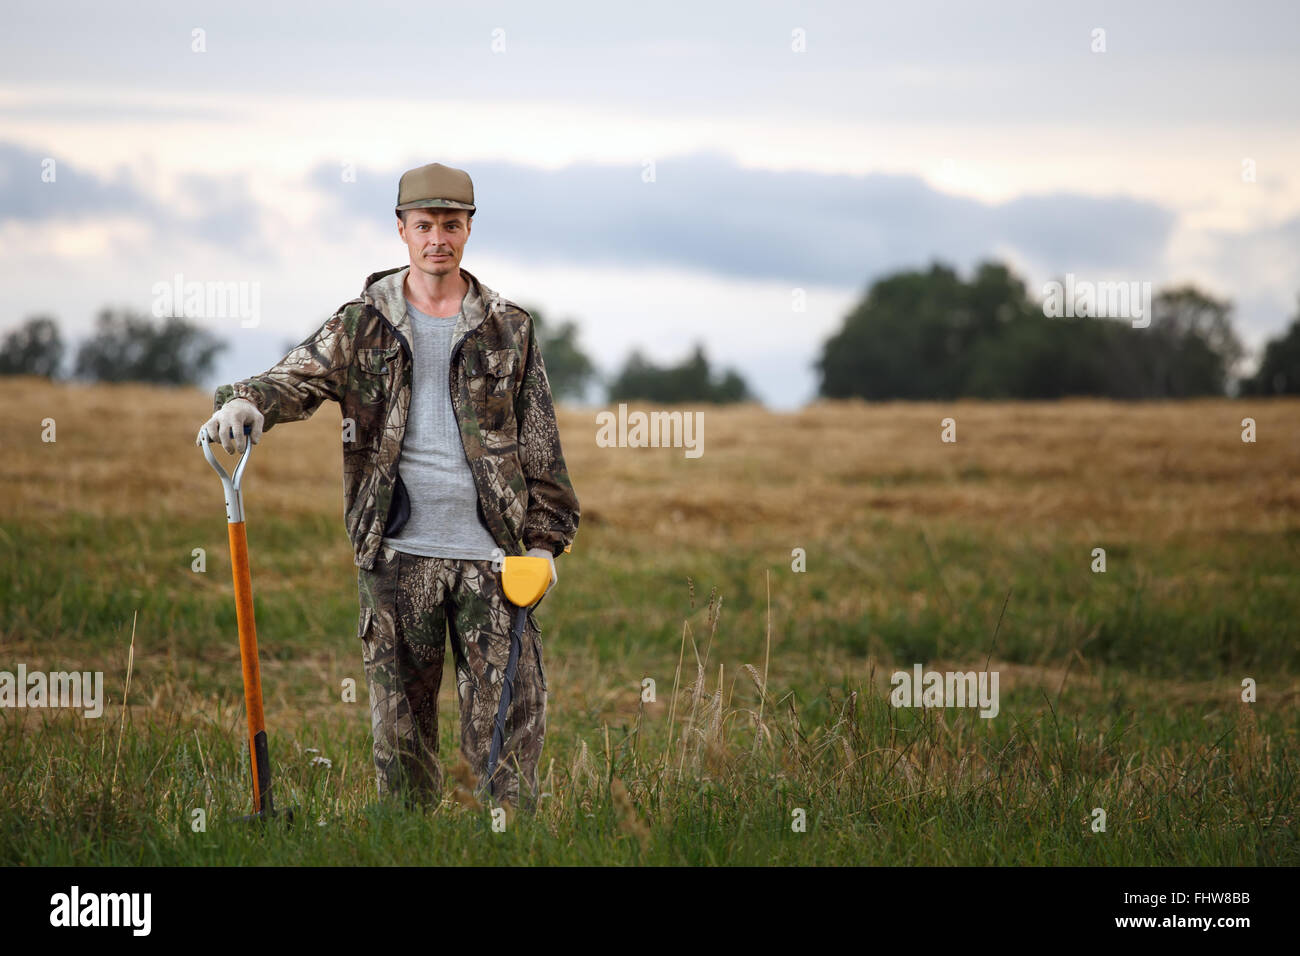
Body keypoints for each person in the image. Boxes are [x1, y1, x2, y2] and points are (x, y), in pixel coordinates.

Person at [197, 162, 580, 811]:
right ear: (402, 229)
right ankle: (407, 849)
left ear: (468, 229)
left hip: (497, 562)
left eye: (451, 224)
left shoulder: (509, 329)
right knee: (403, 753)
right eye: (425, 224)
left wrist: (544, 545)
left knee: (509, 748)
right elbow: (295, 379)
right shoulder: (360, 324)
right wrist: (245, 404)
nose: (439, 237)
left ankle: (506, 853)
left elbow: (541, 445)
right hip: (396, 559)